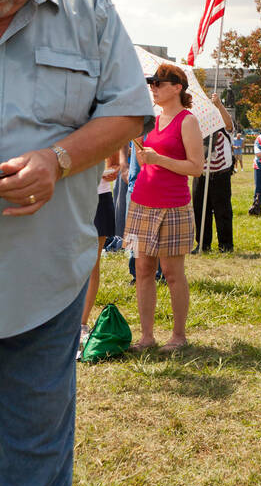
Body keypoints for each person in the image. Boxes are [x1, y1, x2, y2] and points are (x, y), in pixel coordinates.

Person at [0, 0, 153, 486]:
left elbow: (130, 110)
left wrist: (57, 160)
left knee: (33, 459)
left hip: (42, 289)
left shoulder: (88, 12)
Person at [125, 63, 204, 352]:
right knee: (143, 269)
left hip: (173, 206)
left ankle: (178, 336)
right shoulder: (151, 121)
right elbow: (144, 161)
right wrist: (141, 151)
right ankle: (146, 337)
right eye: (151, 83)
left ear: (177, 87)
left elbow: (196, 168)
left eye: (159, 83)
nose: (153, 88)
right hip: (141, 203)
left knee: (172, 273)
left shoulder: (187, 121)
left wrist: (159, 159)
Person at [78, 152, 121, 358]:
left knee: (91, 264)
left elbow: (114, 164)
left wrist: (112, 171)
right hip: (70, 198)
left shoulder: (104, 132)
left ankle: (81, 324)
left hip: (99, 197)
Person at [192, 93, 234, 253]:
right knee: (200, 209)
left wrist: (218, 105)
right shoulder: (196, 127)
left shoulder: (222, 124)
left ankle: (226, 245)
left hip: (220, 174)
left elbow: (229, 124)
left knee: (223, 210)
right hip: (201, 173)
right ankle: (203, 244)